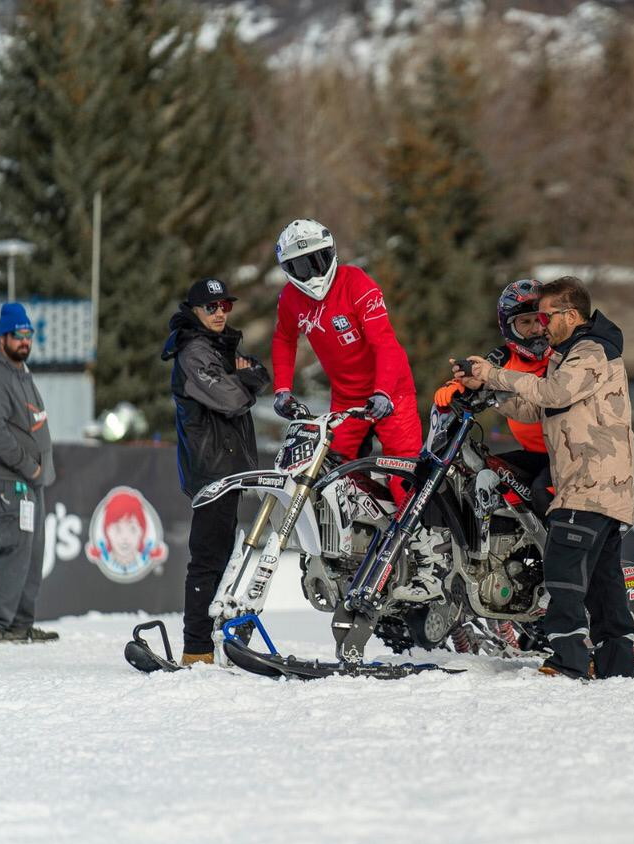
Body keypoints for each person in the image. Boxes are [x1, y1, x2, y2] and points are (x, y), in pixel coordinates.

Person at [454, 276, 634, 679]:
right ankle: (617, 665)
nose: (541, 325)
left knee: (563, 571)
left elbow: (554, 393)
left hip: (589, 483)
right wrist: (488, 390)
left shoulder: (591, 351)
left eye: (546, 316)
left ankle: (568, 661)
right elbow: (539, 409)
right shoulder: (571, 354)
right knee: (603, 582)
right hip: (594, 485)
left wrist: (495, 373)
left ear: (570, 315)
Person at [270, 219, 422, 500]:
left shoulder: (356, 282)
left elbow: (385, 343)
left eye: (317, 262)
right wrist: (282, 389)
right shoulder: (290, 298)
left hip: (392, 393)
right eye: (302, 267)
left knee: (403, 474)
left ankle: (415, 525)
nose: (312, 273)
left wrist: (383, 392)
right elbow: (284, 339)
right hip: (346, 398)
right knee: (332, 474)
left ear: (331, 254)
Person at [162, 278, 269, 665]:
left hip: (227, 468)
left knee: (222, 559)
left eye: (225, 305)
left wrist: (245, 376)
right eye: (211, 307)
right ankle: (196, 649)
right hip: (212, 471)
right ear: (194, 311)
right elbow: (231, 399)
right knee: (207, 561)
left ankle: (210, 644)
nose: (220, 312)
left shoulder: (217, 347)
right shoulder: (194, 351)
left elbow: (259, 373)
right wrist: (245, 379)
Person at [434, 279, 553, 516]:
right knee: (486, 472)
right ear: (509, 327)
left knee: (543, 493)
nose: (536, 329)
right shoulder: (502, 357)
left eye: (540, 319)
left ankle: (558, 540)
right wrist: (457, 385)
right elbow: (478, 373)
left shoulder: (562, 355)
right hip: (536, 454)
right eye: (525, 322)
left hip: (567, 457)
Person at [0, 303, 57, 643]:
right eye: (17, 335)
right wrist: (29, 465)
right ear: (2, 338)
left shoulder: (20, 370)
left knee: (33, 551)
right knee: (13, 547)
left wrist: (39, 470)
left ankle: (18, 623)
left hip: (31, 480)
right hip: (7, 477)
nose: (24, 340)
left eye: (28, 334)